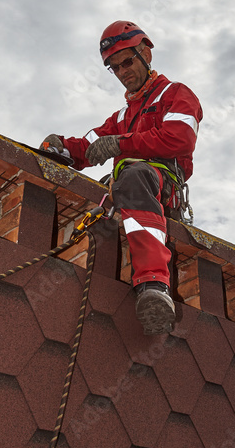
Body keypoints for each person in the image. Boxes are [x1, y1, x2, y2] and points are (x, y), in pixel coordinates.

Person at [42, 21, 202, 335]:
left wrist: (122, 143)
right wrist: (60, 147)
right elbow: (88, 145)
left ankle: (154, 286)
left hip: (161, 184)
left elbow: (180, 138)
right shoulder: (121, 117)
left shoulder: (176, 94)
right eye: (114, 68)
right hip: (129, 184)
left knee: (135, 175)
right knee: (99, 191)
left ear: (146, 53)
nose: (122, 72)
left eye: (126, 61)